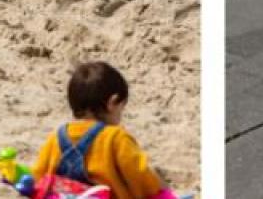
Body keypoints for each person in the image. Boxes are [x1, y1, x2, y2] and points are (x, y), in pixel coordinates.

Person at [30, 62, 171, 199]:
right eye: (121, 108)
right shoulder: (116, 138)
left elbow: (37, 178)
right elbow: (142, 178)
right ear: (112, 103)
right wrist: (164, 192)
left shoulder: (56, 137)